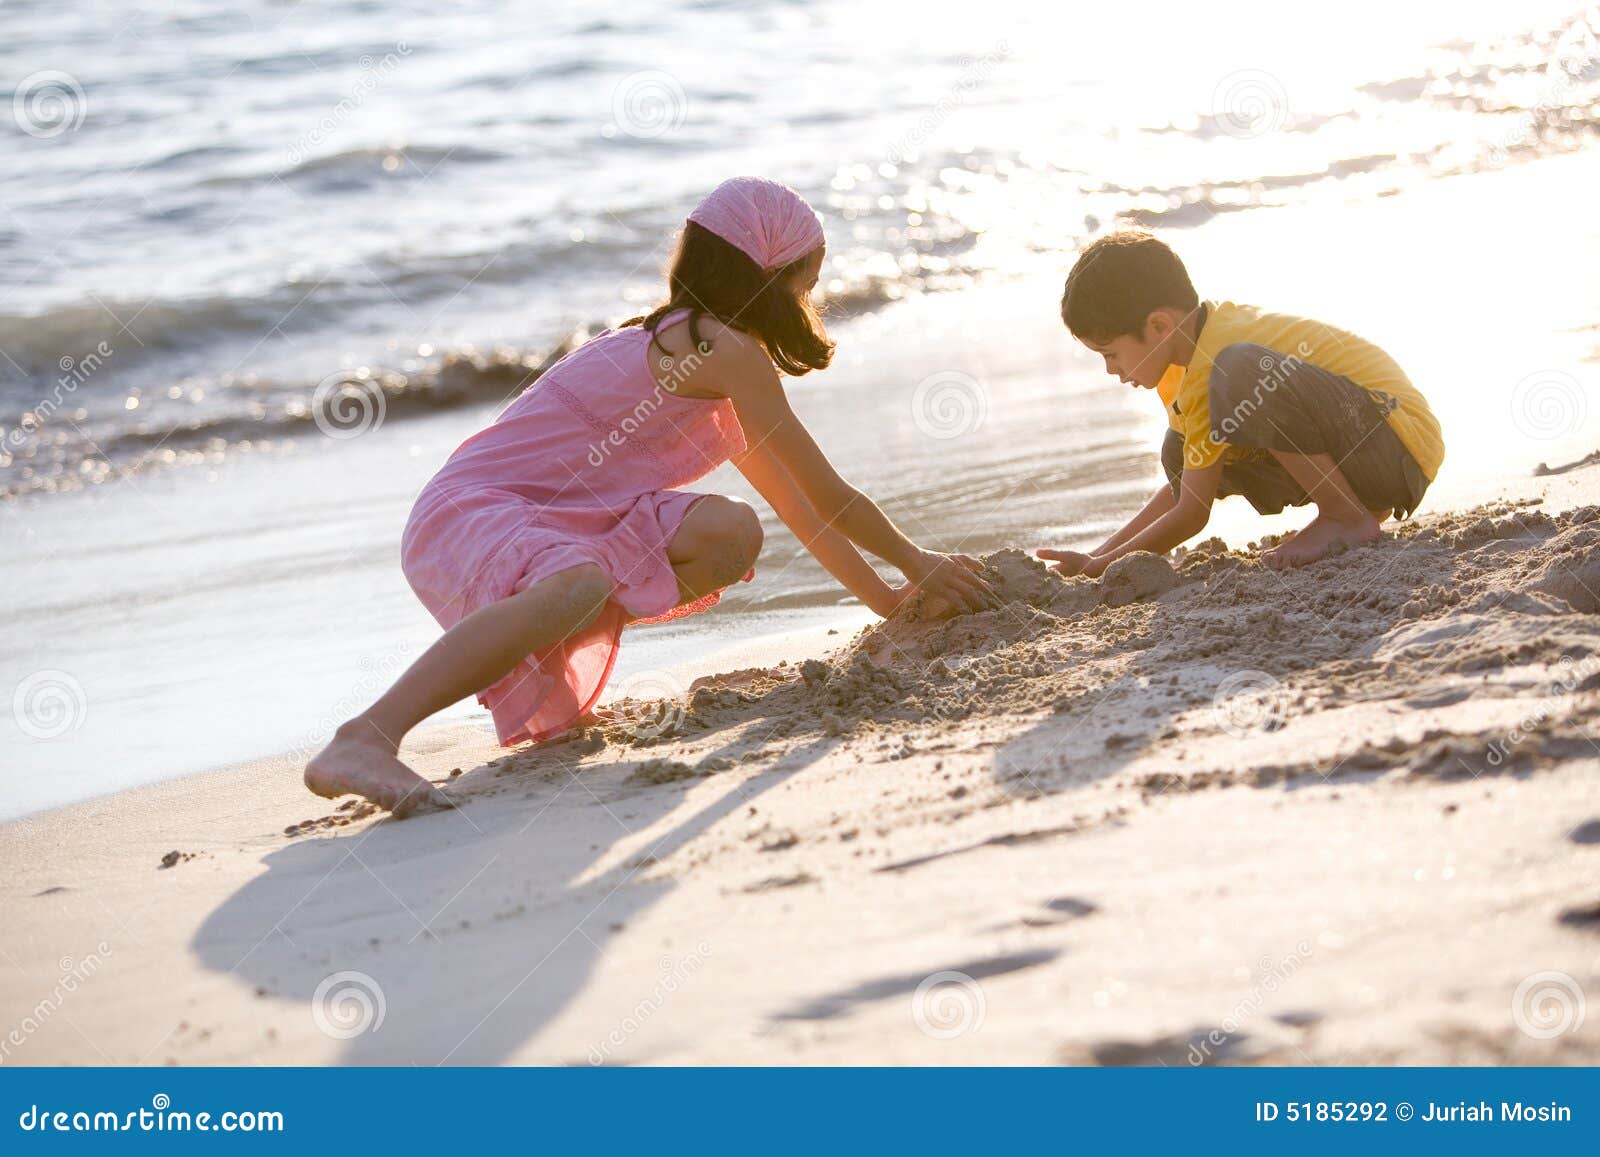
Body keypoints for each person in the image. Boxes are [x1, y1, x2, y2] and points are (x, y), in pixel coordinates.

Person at [305, 177, 997, 814]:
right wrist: (918, 563)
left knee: (732, 534)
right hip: (472, 510)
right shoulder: (718, 348)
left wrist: (885, 600)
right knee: (582, 581)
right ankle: (366, 736)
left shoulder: (712, 356)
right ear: (769, 277)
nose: (807, 306)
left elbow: (796, 505)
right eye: (804, 287)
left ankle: (544, 656)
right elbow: (825, 491)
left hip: (564, 522)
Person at [1037, 230, 1444, 577]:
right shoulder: (1186, 369)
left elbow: (1192, 514)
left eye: (1110, 354)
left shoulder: (1219, 359)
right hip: (1367, 459)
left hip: (1396, 444)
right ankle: (1355, 508)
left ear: (1159, 326)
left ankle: (1344, 516)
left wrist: (1102, 568)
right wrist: (1098, 557)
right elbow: (1186, 492)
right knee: (1178, 450)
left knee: (1239, 370)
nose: (1111, 370)